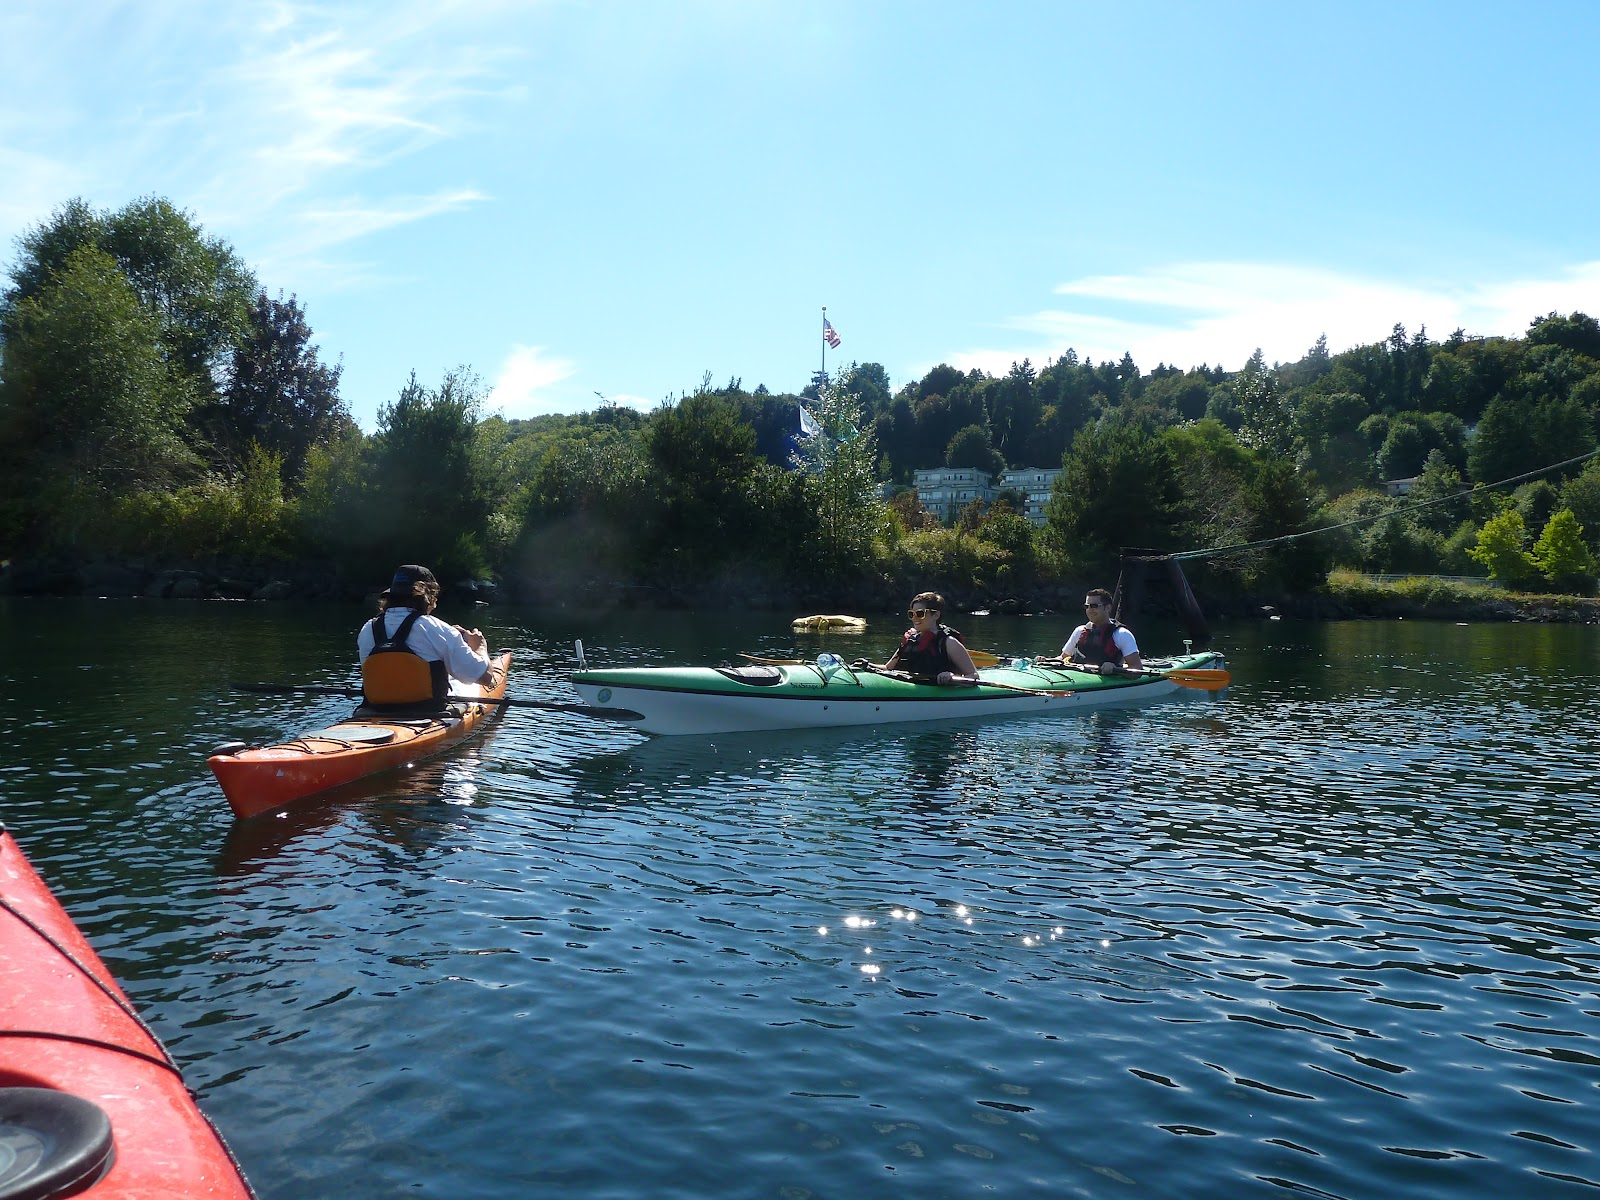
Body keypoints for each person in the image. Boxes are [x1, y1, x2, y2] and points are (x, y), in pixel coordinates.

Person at [357, 564, 503, 710]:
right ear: (428, 596)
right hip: (427, 711)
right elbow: (485, 678)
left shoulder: (368, 628)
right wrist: (479, 647)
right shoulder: (436, 628)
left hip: (376, 710)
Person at [880, 592, 979, 685]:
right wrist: (866, 664)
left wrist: (951, 677)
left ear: (936, 615)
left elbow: (974, 676)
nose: (914, 618)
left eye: (920, 614)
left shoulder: (949, 643)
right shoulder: (910, 641)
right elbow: (887, 668)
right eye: (911, 614)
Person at [1054, 588, 1142, 674]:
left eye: (1094, 606)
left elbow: (1137, 669)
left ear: (1107, 608)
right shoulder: (1079, 631)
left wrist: (1115, 668)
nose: (1089, 610)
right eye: (1087, 606)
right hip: (1078, 677)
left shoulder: (1122, 634)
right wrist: (1045, 660)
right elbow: (1062, 658)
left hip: (1107, 681)